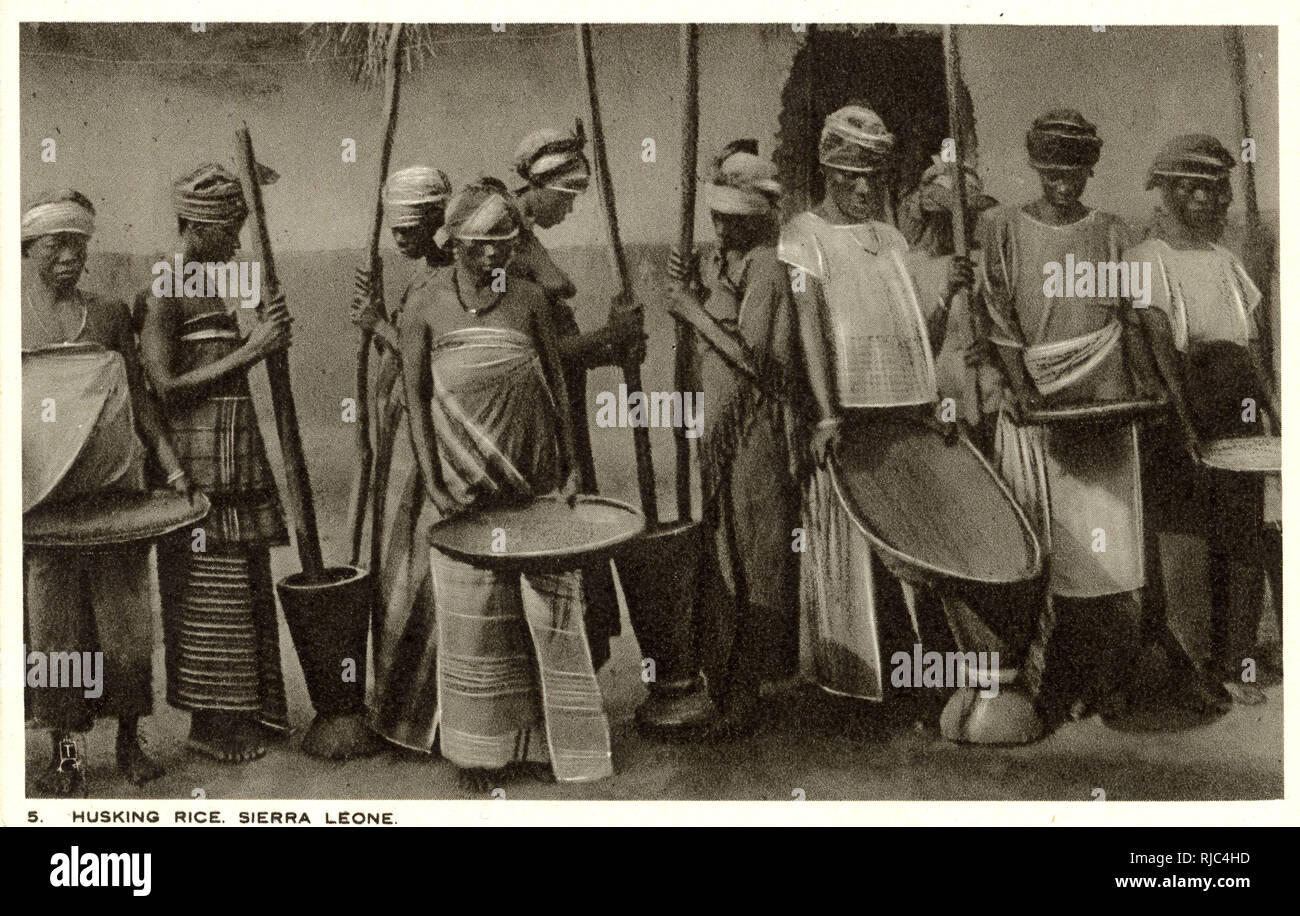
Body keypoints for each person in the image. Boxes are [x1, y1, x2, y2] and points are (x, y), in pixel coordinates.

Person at [401, 180, 613, 790]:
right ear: (457, 244)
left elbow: (557, 382)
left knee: (548, 613)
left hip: (535, 476)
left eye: (504, 244)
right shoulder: (424, 306)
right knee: (477, 617)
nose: (494, 257)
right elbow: (416, 401)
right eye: (481, 247)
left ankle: (551, 747)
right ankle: (481, 755)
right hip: (465, 484)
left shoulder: (529, 301)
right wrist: (435, 480)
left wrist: (572, 465)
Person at [778, 105, 973, 704]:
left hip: (904, 409)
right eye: (847, 177)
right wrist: (827, 412)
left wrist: (947, 296)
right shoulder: (802, 236)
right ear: (826, 173)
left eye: (872, 177)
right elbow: (809, 328)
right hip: (851, 415)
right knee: (862, 552)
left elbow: (916, 335)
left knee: (916, 543)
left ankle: (927, 682)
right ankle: (863, 685)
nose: (862, 188)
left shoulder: (890, 238)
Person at [979, 110, 1155, 724]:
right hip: (1039, 405)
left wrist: (1143, 387)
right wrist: (1024, 390)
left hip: (1105, 400)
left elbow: (1128, 320)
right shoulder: (1002, 227)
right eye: (1053, 170)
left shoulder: (1112, 231)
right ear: (1036, 166)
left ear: (1090, 168)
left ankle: (1108, 684)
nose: (1064, 182)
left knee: (1108, 553)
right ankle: (1045, 683)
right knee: (1048, 547)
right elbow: (999, 318)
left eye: (1075, 169)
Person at [22, 189, 188, 794]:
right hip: (42, 501)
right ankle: (65, 750)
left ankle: (128, 740)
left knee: (124, 623)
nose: (69, 255)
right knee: (54, 629)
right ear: (26, 248)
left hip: (115, 491)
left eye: (79, 243)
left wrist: (172, 469)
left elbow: (140, 402)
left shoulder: (112, 313)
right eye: (54, 244)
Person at [138, 163, 295, 763]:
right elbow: (164, 385)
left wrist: (260, 338)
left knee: (243, 585)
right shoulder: (164, 289)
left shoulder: (208, 283)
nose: (236, 241)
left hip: (234, 462)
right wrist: (252, 351)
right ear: (199, 226)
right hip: (197, 469)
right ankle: (213, 724)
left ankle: (248, 712)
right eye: (229, 228)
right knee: (209, 593)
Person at [1128, 134, 1280, 706]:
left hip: (1236, 404)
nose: (1206, 200)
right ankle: (1195, 665)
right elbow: (1159, 347)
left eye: (1215, 190)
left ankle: (1237, 661)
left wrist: (1272, 407)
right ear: (1166, 194)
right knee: (1187, 541)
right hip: (1181, 406)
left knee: (1242, 535)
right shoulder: (1147, 259)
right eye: (1190, 189)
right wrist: (1185, 423)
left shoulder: (1225, 262)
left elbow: (1250, 346)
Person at [667, 141, 803, 735]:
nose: (718, 228)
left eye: (729, 220)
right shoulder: (729, 262)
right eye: (715, 218)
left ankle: (748, 692)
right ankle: (726, 685)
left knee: (757, 557)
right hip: (723, 435)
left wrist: (693, 313)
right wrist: (696, 294)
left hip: (756, 436)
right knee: (725, 553)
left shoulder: (769, 268)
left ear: (754, 218)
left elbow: (759, 362)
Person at [508, 126, 643, 670]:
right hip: (541, 416)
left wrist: (612, 347)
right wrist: (607, 339)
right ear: (540, 187)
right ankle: (556, 667)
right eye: (565, 197)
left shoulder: (524, 238)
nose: (569, 210)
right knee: (555, 521)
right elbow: (534, 353)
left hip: (565, 407)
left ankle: (572, 671)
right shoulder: (508, 245)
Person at [350, 165, 456, 752]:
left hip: (426, 443)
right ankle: (395, 705)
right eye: (394, 228)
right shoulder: (422, 279)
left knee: (420, 568)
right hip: (398, 442)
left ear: (438, 221)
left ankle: (425, 714)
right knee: (396, 565)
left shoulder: (446, 285)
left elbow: (434, 369)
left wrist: (378, 326)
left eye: (410, 228)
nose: (398, 238)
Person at [904, 160, 1002, 450]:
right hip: (942, 403)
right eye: (945, 218)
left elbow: (1010, 329)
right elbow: (917, 346)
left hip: (988, 398)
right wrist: (946, 292)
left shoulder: (987, 262)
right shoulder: (913, 268)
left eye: (966, 218)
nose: (958, 226)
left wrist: (992, 346)